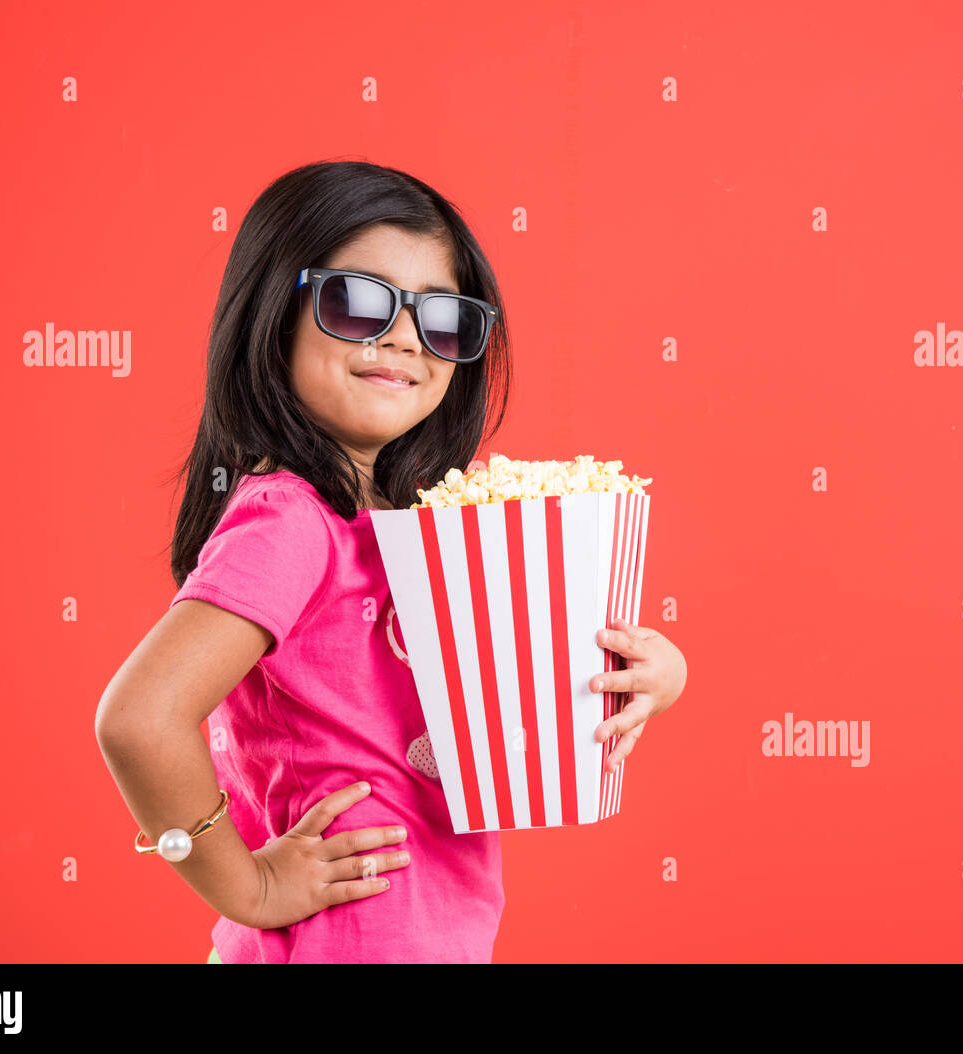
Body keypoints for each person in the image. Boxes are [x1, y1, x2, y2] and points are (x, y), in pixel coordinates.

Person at [94, 159, 688, 963]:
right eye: (357, 301)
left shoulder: (416, 523)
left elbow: (490, 708)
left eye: (441, 318)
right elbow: (139, 719)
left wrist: (644, 674)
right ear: (275, 312)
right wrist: (247, 887)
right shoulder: (292, 520)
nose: (403, 337)